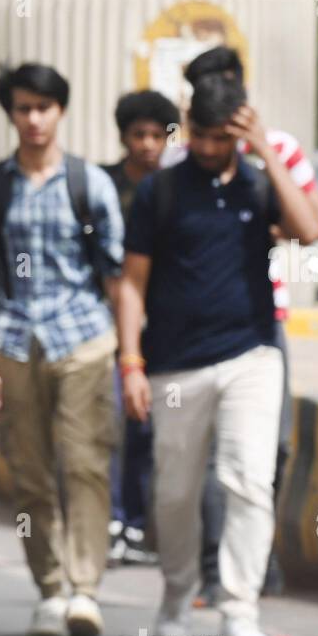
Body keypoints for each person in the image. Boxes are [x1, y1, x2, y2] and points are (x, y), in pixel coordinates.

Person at [117, 72, 318, 636]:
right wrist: (130, 361)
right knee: (177, 492)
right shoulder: (162, 191)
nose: (207, 149)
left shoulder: (260, 186)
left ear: (240, 131)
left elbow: (308, 230)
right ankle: (178, 597)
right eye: (200, 136)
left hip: (252, 354)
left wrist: (264, 152)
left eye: (219, 138)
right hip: (174, 365)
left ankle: (239, 608)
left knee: (249, 481)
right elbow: (132, 285)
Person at [0, 63, 124, 636]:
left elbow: (119, 275)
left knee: (85, 463)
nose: (34, 119)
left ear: (61, 111)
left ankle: (85, 589)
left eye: (44, 107)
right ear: (12, 115)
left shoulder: (90, 183)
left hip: (83, 339)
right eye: (23, 108)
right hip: (14, 342)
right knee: (30, 475)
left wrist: (131, 354)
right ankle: (51, 589)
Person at [166, 47, 318, 605]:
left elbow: (315, 221)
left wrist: (261, 155)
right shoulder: (180, 160)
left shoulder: (278, 149)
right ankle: (215, 570)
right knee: (212, 457)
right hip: (193, 329)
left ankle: (254, 554)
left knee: (272, 448)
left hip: (264, 323)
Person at [101, 91, 180, 566]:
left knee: (150, 429)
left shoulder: (177, 187)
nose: (148, 144)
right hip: (109, 325)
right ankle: (112, 521)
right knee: (113, 421)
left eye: (158, 135)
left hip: (167, 326)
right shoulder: (104, 185)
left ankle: (135, 523)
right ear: (124, 137)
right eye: (139, 135)